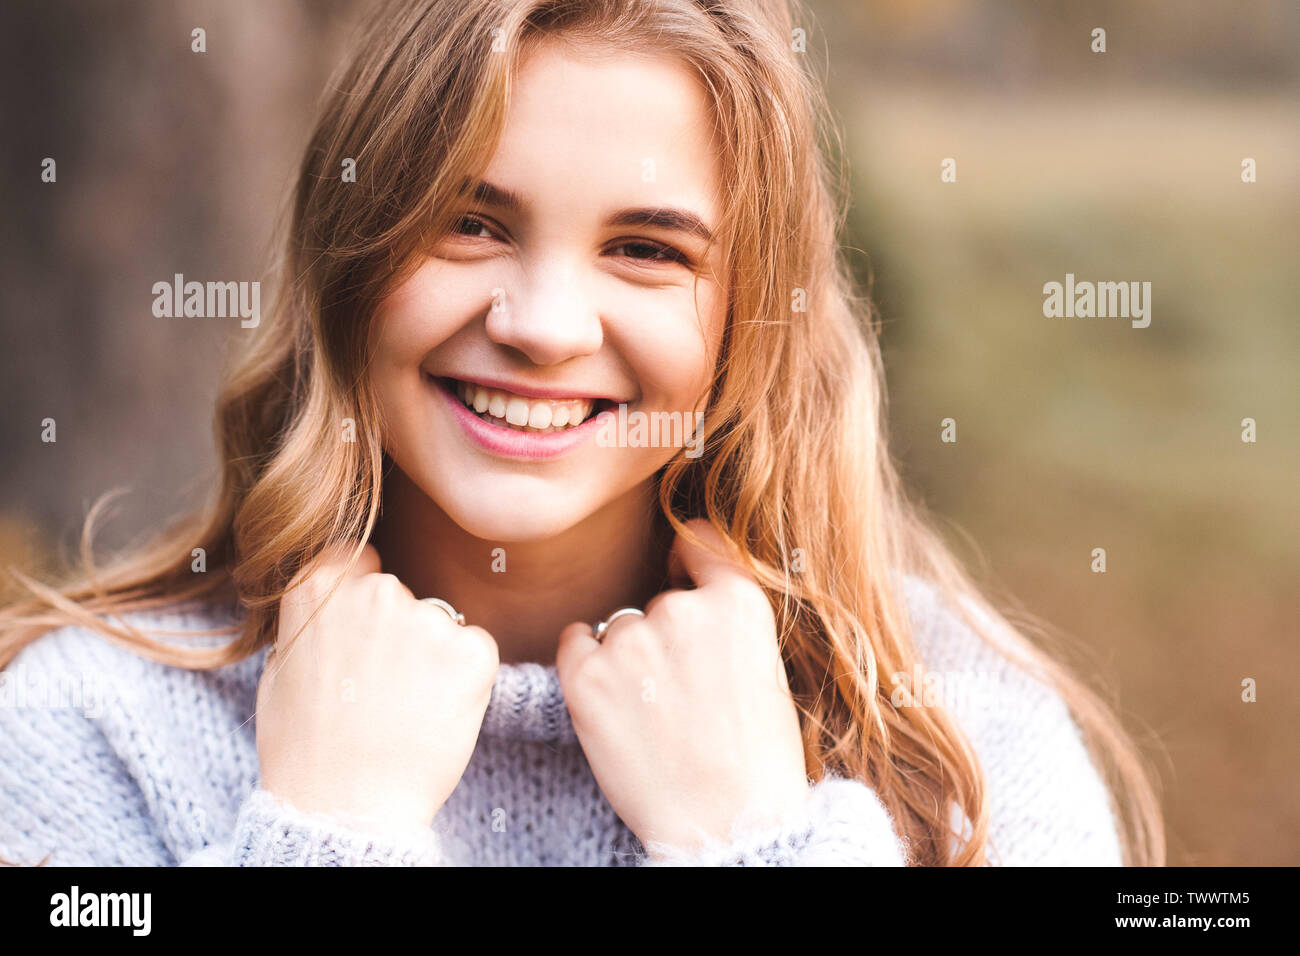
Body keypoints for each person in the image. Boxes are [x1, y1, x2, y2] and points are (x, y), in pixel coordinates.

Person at [0, 0, 1163, 866]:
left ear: (748, 321)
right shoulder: (85, 731)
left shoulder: (964, 750)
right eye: (468, 221)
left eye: (648, 249)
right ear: (352, 256)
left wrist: (755, 841)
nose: (544, 326)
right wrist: (330, 831)